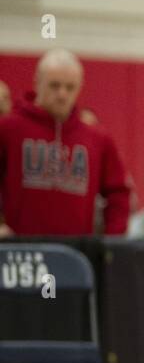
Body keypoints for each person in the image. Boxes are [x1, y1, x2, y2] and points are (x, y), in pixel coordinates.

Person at [0, 49, 130, 237]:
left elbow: (118, 193)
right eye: (54, 86)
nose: (62, 94)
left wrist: (112, 242)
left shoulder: (97, 139)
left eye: (70, 87)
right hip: (21, 249)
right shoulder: (9, 129)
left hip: (75, 253)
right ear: (37, 82)